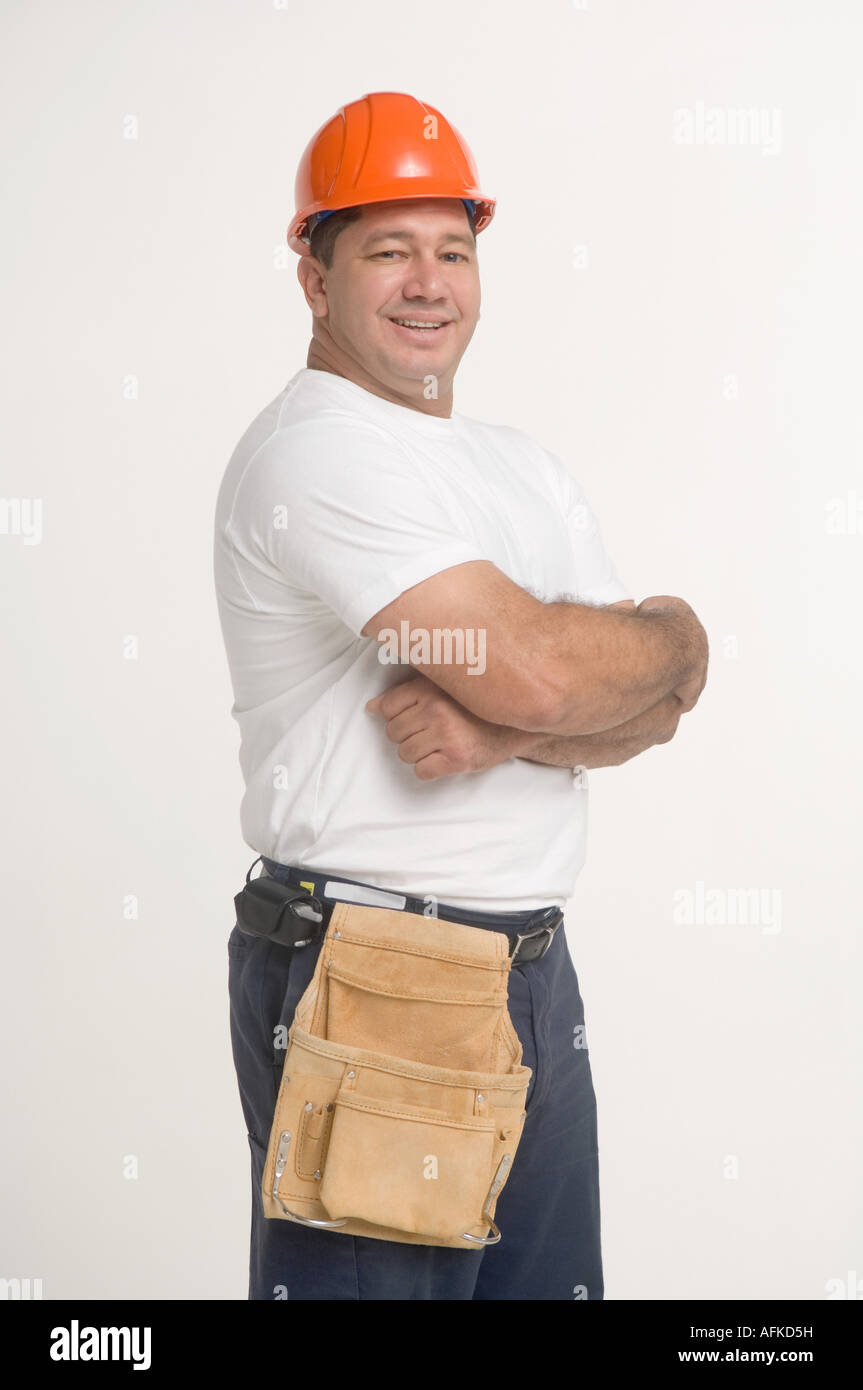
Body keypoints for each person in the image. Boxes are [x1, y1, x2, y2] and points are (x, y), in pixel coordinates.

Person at [213, 91, 708, 1301]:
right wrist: (601, 669)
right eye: (388, 249)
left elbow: (663, 695)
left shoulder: (518, 465)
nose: (428, 282)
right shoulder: (317, 451)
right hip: (380, 970)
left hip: (533, 971)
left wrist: (503, 723)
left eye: (453, 249)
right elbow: (565, 670)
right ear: (314, 275)